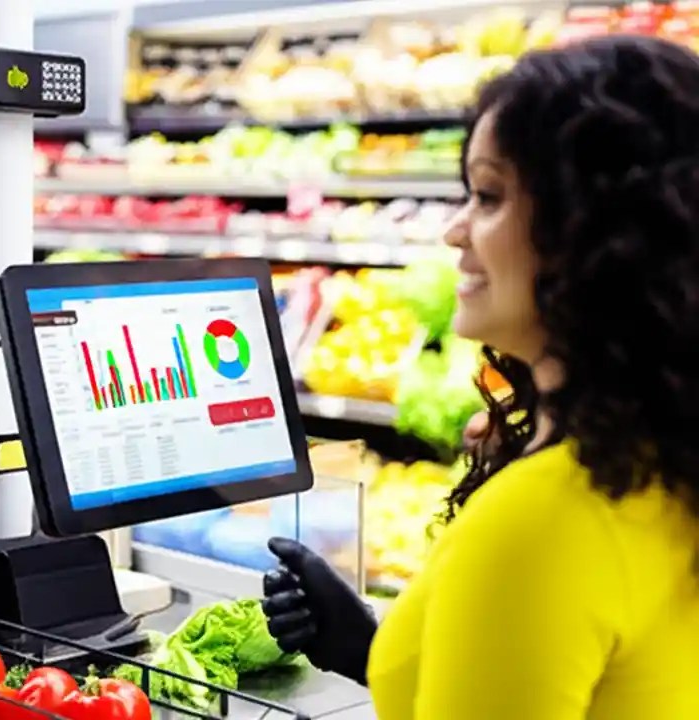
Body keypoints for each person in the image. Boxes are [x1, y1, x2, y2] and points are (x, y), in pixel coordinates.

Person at [263, 34, 699, 719]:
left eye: (489, 196)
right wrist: (371, 648)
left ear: (595, 231)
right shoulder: (663, 470)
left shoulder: (537, 524)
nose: (455, 231)